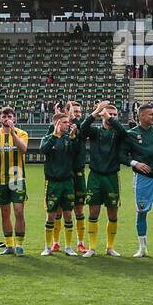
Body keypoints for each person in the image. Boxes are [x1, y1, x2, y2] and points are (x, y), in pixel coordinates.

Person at [105, 103, 153, 257]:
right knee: (142, 211)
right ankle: (142, 247)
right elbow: (122, 156)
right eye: (151, 114)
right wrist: (135, 163)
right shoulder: (130, 134)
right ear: (141, 116)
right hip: (143, 179)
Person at [81, 101, 127, 257]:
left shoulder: (118, 133)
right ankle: (92, 248)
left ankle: (110, 247)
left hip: (112, 177)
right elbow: (82, 130)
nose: (111, 116)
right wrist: (95, 112)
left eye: (114, 115)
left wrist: (110, 118)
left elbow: (125, 133)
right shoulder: (96, 132)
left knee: (112, 214)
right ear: (101, 115)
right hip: (95, 176)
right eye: (108, 114)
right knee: (93, 212)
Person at [0, 107, 29, 255]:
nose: (6, 118)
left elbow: (24, 149)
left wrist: (12, 133)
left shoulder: (22, 133)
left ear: (14, 119)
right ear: (0, 119)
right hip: (0, 178)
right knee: (5, 213)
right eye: (4, 116)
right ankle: (10, 245)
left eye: (9, 116)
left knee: (19, 211)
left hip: (16, 176)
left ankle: (20, 245)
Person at [39, 112, 79, 255]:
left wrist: (74, 137)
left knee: (68, 214)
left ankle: (68, 246)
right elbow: (43, 150)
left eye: (68, 122)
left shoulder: (69, 139)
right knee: (51, 215)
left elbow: (77, 152)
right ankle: (47, 247)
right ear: (56, 124)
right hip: (52, 183)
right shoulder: (48, 139)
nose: (68, 125)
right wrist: (54, 136)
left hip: (68, 182)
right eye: (64, 122)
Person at [64, 100, 92, 254]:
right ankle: (55, 242)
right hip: (62, 174)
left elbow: (82, 129)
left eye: (79, 113)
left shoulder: (81, 129)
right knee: (60, 209)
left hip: (78, 172)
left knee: (79, 209)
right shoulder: (59, 130)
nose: (76, 115)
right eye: (73, 112)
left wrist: (74, 119)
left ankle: (80, 242)